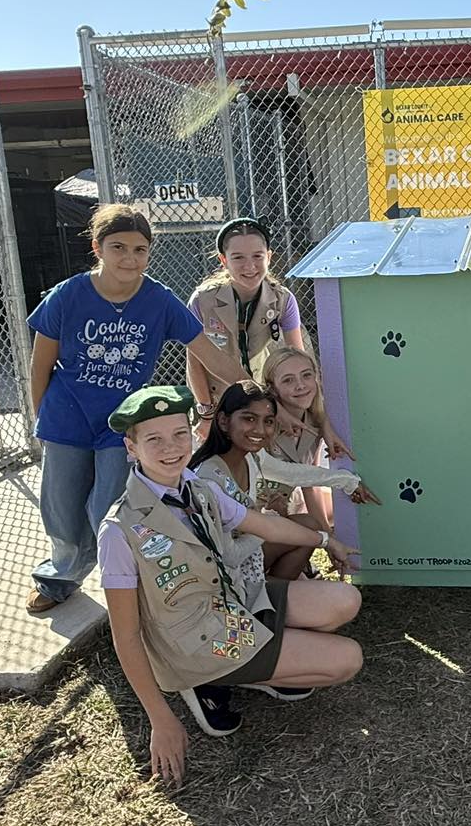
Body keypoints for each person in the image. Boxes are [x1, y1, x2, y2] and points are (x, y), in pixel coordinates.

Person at [97, 385, 364, 787]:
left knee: (344, 601)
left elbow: (266, 526)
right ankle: (210, 678)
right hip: (202, 639)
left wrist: (327, 541)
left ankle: (254, 665)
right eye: (154, 439)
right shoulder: (119, 530)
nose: (171, 448)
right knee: (346, 659)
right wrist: (160, 719)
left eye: (180, 434)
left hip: (234, 601)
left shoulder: (197, 489)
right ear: (131, 447)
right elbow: (126, 635)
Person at [26, 204, 249, 615]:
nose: (130, 258)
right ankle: (60, 577)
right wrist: (43, 419)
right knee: (62, 507)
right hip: (66, 417)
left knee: (108, 506)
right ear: (98, 248)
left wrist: (253, 389)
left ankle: (128, 583)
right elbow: (40, 366)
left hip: (123, 423)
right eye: (119, 248)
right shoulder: (68, 295)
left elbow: (209, 354)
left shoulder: (158, 300)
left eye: (140, 249)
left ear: (149, 253)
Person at [189, 380, 379, 584]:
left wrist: (348, 482)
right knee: (340, 594)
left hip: (247, 554)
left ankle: (274, 593)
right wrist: (267, 521)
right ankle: (265, 595)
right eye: (249, 419)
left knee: (309, 524)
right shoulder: (208, 477)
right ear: (223, 421)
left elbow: (292, 474)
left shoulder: (251, 456)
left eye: (268, 421)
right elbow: (230, 557)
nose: (260, 430)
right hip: (220, 575)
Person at [186, 218, 305, 437]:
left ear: (269, 257)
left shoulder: (283, 300)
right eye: (238, 257)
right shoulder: (202, 301)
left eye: (257, 256)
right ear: (223, 260)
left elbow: (297, 359)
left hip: (267, 403)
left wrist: (293, 410)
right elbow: (195, 362)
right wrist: (206, 414)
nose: (249, 266)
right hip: (219, 404)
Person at [263, 346, 352, 530]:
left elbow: (309, 482)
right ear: (272, 389)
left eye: (306, 375)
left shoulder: (315, 422)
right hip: (253, 513)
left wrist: (327, 533)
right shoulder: (262, 423)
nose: (301, 385)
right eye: (288, 380)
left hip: (285, 507)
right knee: (307, 527)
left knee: (320, 521)